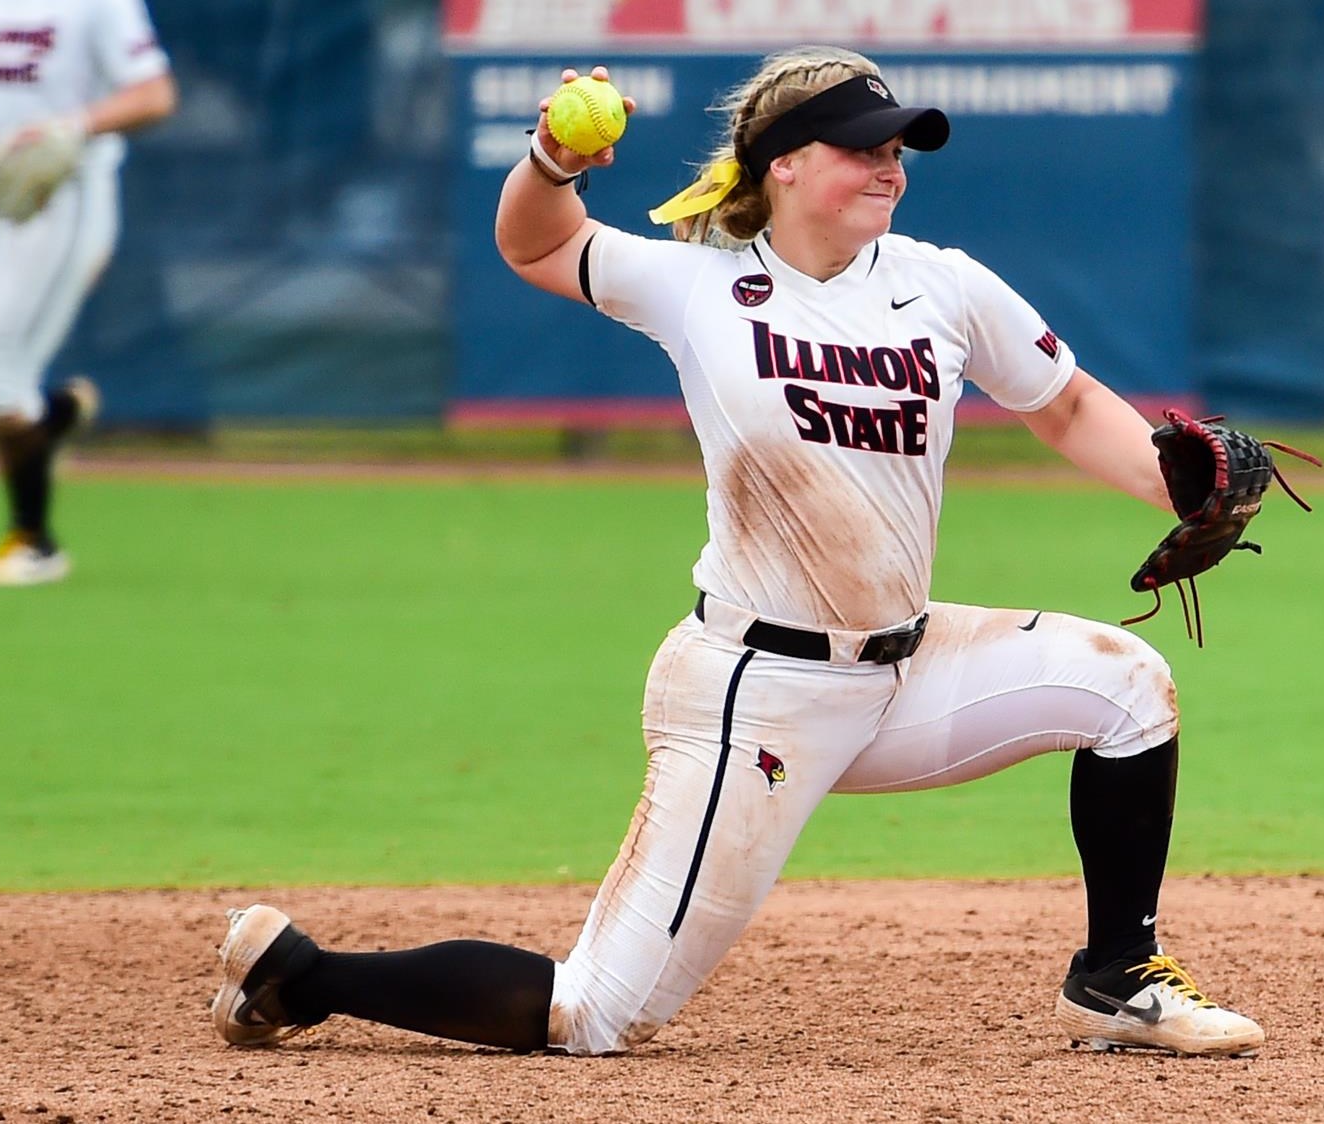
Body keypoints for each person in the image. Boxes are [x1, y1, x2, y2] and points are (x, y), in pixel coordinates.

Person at [210, 47, 1266, 1059]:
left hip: (905, 666)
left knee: (1127, 687)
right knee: (592, 1014)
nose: (890, 164)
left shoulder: (938, 285)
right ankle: (305, 974)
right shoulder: (697, 285)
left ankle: (1117, 974)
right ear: (785, 163)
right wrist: (552, 162)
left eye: (899, 147)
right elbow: (535, 244)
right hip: (755, 692)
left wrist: (1174, 482)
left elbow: (1064, 401)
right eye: (864, 146)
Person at [0, 0, 175, 586]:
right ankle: (55, 418)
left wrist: (73, 125)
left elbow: (156, 95)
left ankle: (35, 544)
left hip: (62, 195)